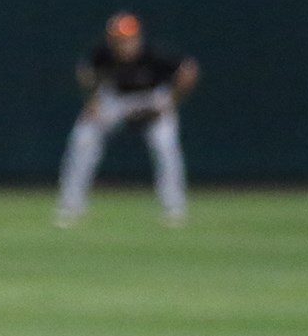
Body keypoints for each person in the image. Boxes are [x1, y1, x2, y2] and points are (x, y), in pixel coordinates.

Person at [56, 12, 200, 227]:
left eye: (129, 39)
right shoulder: (102, 54)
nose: (124, 44)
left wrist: (172, 100)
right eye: (119, 40)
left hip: (151, 100)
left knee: (165, 147)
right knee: (83, 139)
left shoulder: (156, 54)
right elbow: (85, 73)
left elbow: (189, 71)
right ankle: (71, 205)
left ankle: (174, 207)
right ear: (111, 40)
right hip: (115, 101)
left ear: (138, 38)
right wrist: (93, 100)